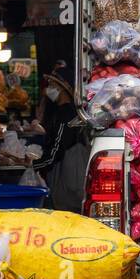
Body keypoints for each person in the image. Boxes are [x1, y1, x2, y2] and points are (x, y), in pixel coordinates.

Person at [33, 64, 88, 212]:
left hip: (67, 179)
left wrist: (35, 165)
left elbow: (56, 150)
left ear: (61, 89)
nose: (48, 89)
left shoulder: (66, 115)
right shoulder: (65, 112)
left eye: (52, 85)